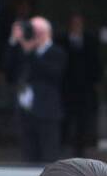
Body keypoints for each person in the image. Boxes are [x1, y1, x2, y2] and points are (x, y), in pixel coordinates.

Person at [11, 17, 68, 164]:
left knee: (48, 154)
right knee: (28, 155)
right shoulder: (25, 53)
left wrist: (32, 52)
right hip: (27, 111)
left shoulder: (57, 52)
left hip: (47, 112)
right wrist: (15, 41)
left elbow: (53, 75)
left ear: (43, 33)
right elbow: (10, 68)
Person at [59, 12, 102, 157]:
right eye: (74, 23)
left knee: (83, 120)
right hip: (67, 88)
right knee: (66, 118)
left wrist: (96, 82)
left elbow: (96, 63)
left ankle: (80, 148)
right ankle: (64, 145)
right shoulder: (62, 41)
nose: (77, 26)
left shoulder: (90, 40)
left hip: (85, 88)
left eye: (79, 23)